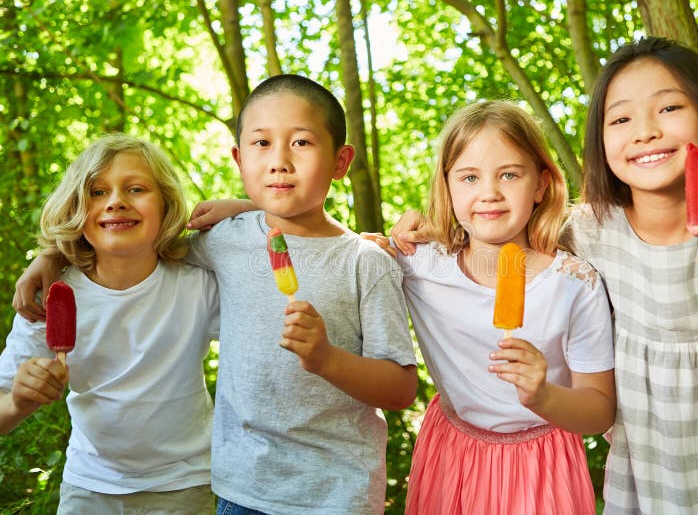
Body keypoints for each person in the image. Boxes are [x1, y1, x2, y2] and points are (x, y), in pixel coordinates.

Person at [392, 37, 698, 514]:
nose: (645, 132)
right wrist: (420, 228)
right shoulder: (589, 232)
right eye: (622, 118)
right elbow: (508, 236)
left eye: (668, 107)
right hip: (650, 460)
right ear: (600, 139)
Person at [14, 75, 419, 514]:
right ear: (239, 159)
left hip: (336, 492)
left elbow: (400, 391)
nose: (280, 161)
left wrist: (327, 358)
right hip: (237, 488)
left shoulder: (365, 262)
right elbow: (140, 245)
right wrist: (52, 256)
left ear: (341, 161)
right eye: (262, 144)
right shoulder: (223, 242)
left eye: (301, 143)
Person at [389, 100, 615, 514]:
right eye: (469, 177)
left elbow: (599, 410)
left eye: (509, 174)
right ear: (448, 187)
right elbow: (329, 243)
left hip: (542, 463)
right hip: (450, 458)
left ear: (541, 185)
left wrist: (543, 394)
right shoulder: (419, 264)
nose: (489, 193)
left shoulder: (575, 284)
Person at [0, 135, 219, 513]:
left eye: (136, 188)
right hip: (89, 486)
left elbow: (270, 244)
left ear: (166, 203)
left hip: (184, 485)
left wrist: (243, 207)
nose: (116, 201)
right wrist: (19, 401)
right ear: (76, 209)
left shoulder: (199, 283)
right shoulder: (53, 296)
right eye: (97, 192)